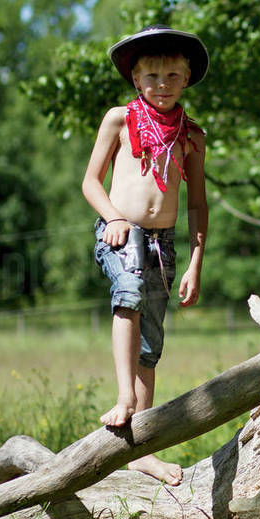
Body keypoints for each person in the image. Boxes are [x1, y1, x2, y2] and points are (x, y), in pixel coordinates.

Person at [82, 24, 210, 485]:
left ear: (187, 76)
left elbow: (197, 203)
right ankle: (124, 400)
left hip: (165, 241)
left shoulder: (192, 135)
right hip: (121, 231)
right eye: (153, 76)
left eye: (172, 75)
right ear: (136, 78)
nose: (162, 84)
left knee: (151, 341)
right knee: (130, 290)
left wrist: (195, 262)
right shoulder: (120, 119)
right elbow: (90, 182)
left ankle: (142, 446)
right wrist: (114, 217)